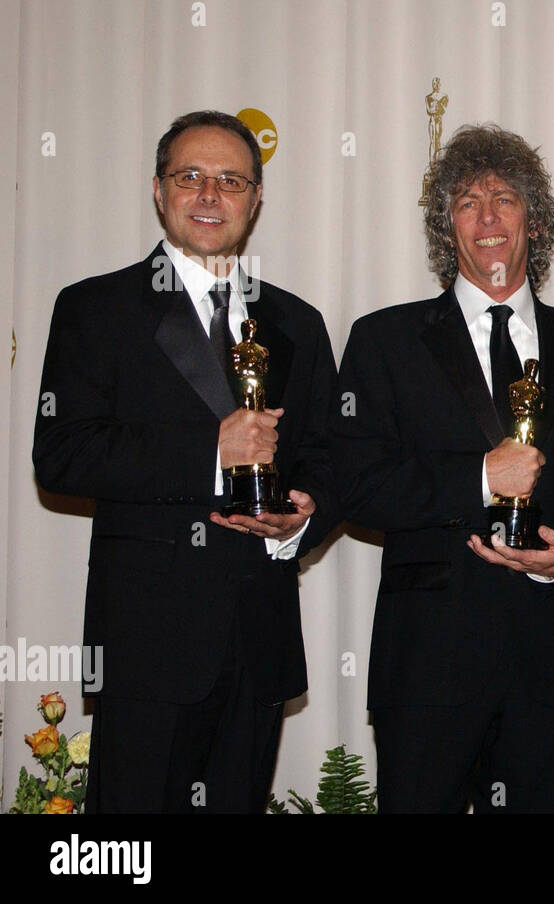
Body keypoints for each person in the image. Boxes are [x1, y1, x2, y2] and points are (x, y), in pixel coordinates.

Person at [33, 110, 339, 813]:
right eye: (190, 177)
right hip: (145, 646)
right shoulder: (96, 309)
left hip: (258, 642)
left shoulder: (295, 321)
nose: (210, 194)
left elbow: (328, 456)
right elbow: (61, 454)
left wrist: (301, 517)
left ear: (256, 200)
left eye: (230, 180)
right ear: (158, 190)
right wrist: (212, 452)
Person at [331, 124, 554, 813]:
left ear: (537, 220)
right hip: (426, 664)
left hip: (548, 660)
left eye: (505, 198)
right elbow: (355, 483)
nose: (488, 217)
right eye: (467, 202)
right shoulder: (384, 341)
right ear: (445, 228)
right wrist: (479, 479)